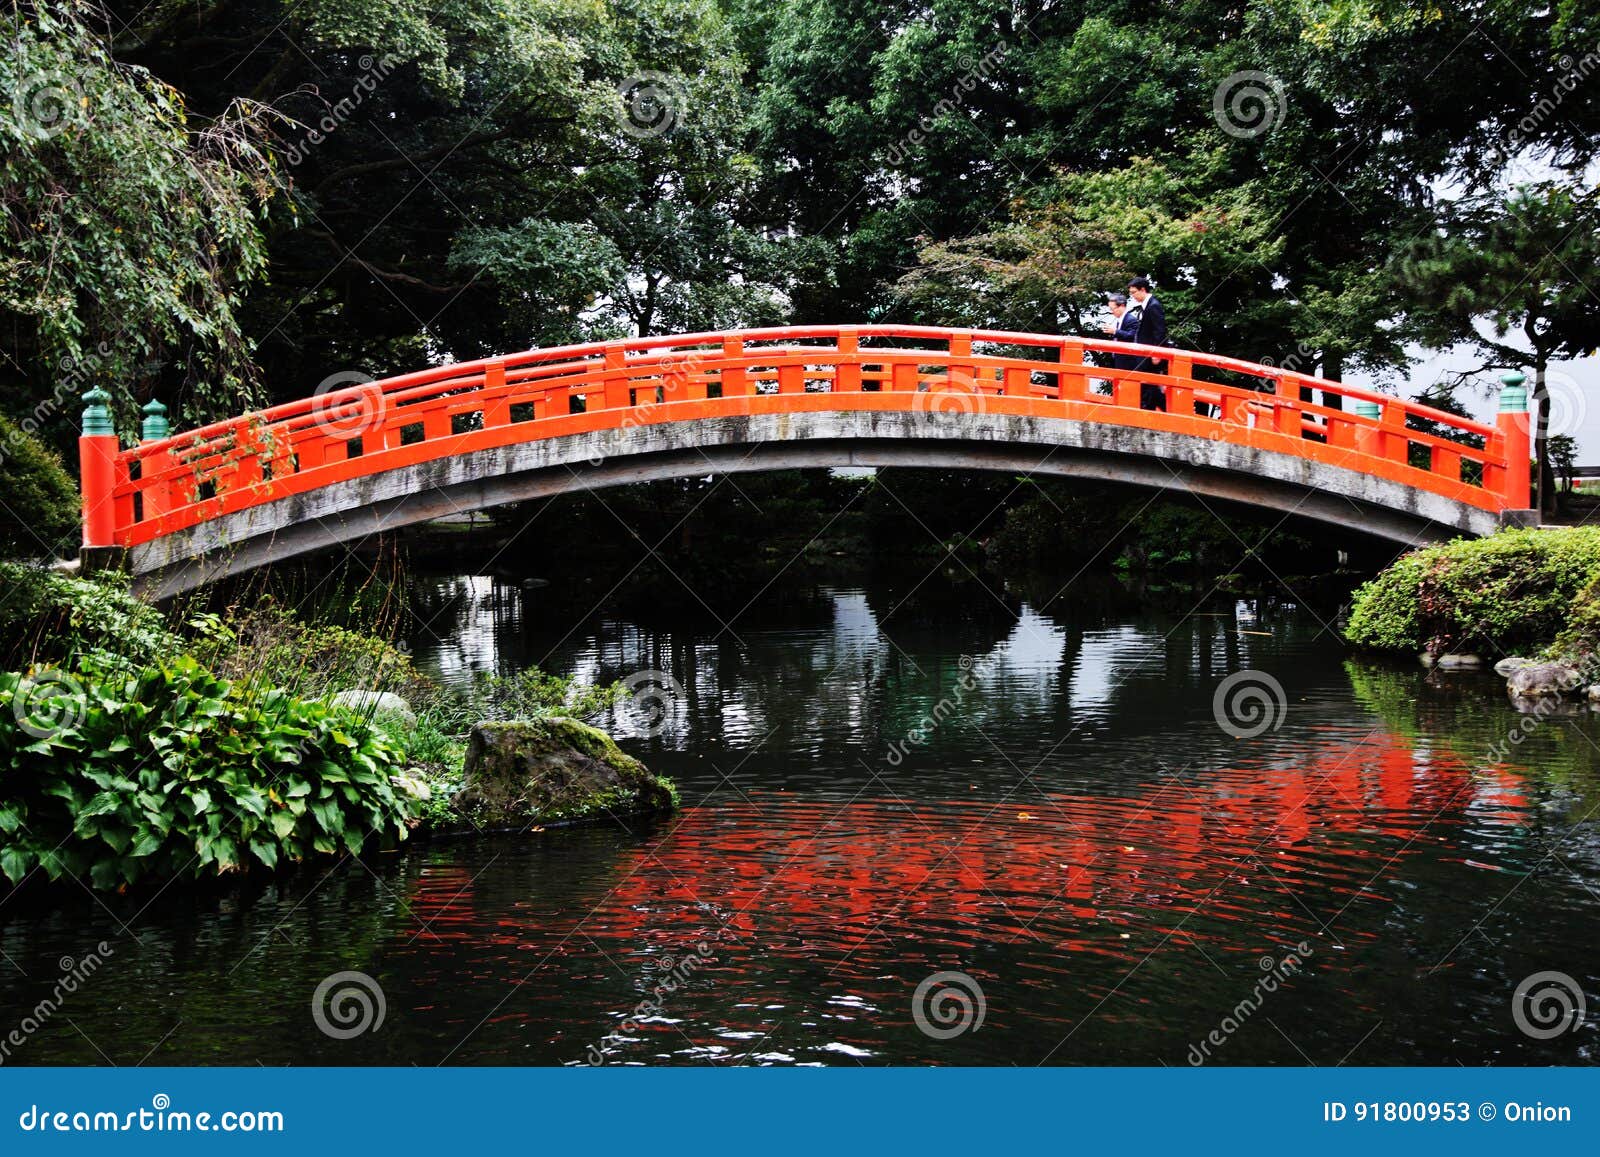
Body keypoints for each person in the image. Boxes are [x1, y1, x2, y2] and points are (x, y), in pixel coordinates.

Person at [1127, 275, 1169, 411]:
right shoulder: (1147, 306)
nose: (1132, 296)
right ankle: (1159, 408)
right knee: (1149, 385)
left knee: (1148, 384)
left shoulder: (1153, 306)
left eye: (1133, 292)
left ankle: (1149, 410)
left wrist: (1157, 352)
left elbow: (1160, 330)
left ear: (1143, 289)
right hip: (1146, 353)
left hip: (1152, 354)